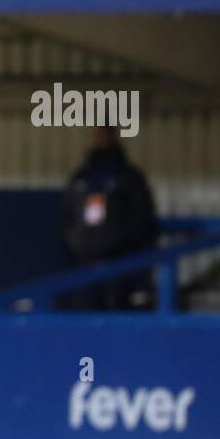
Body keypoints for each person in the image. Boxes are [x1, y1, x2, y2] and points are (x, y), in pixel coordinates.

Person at [60, 125, 160, 310]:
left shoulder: (128, 177)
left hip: (122, 268)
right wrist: (79, 245)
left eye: (106, 133)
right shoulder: (82, 178)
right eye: (98, 133)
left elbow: (142, 220)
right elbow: (67, 217)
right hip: (85, 267)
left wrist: (120, 245)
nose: (102, 138)